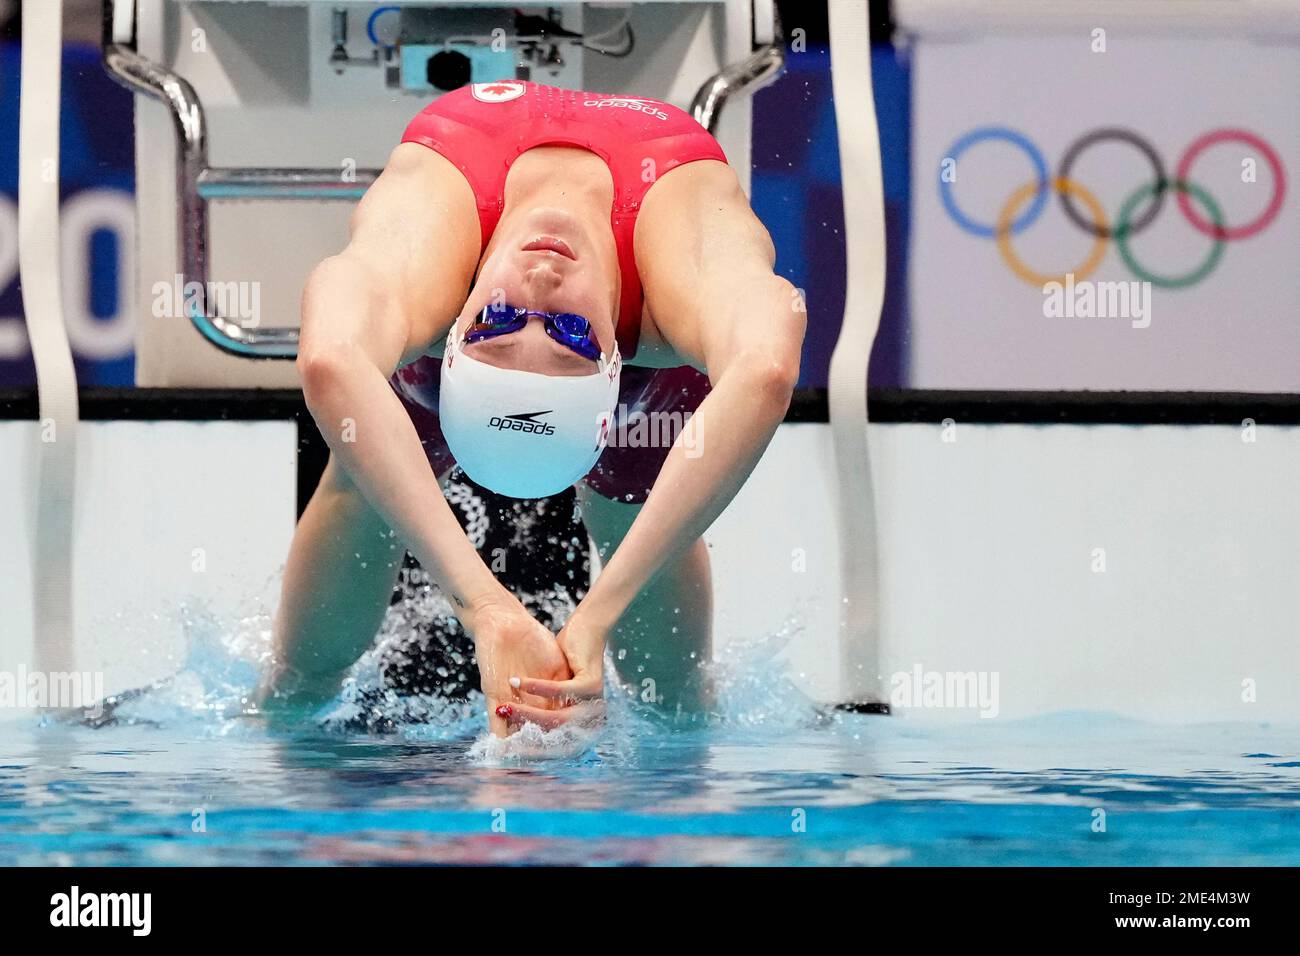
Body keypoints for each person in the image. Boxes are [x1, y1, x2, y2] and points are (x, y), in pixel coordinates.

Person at [258, 80, 804, 736]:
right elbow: (767, 367)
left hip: (473, 158)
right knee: (677, 700)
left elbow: (327, 358)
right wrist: (589, 616)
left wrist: (489, 610)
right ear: (612, 364)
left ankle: (282, 709)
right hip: (629, 361)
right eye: (573, 334)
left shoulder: (431, 252)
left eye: (495, 321)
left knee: (369, 465)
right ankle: (285, 714)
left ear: (456, 331)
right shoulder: (671, 295)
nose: (540, 284)